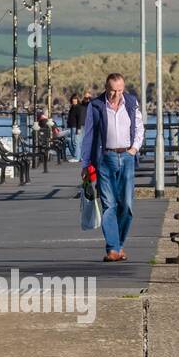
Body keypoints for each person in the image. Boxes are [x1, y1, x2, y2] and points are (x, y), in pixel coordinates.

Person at [78, 72, 143, 263]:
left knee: (127, 205)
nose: (116, 95)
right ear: (106, 88)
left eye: (120, 90)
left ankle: (119, 244)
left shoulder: (131, 103)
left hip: (127, 156)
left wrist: (134, 148)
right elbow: (88, 135)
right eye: (113, 91)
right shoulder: (96, 106)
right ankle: (113, 248)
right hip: (104, 158)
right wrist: (85, 163)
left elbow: (139, 127)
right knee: (109, 204)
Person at [66, 96, 84, 161]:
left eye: (75, 99)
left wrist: (78, 128)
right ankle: (79, 157)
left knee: (75, 142)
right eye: (73, 99)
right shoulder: (72, 107)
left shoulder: (78, 107)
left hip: (76, 126)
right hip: (72, 126)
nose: (74, 100)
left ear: (77, 100)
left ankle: (77, 157)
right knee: (75, 141)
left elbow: (80, 118)